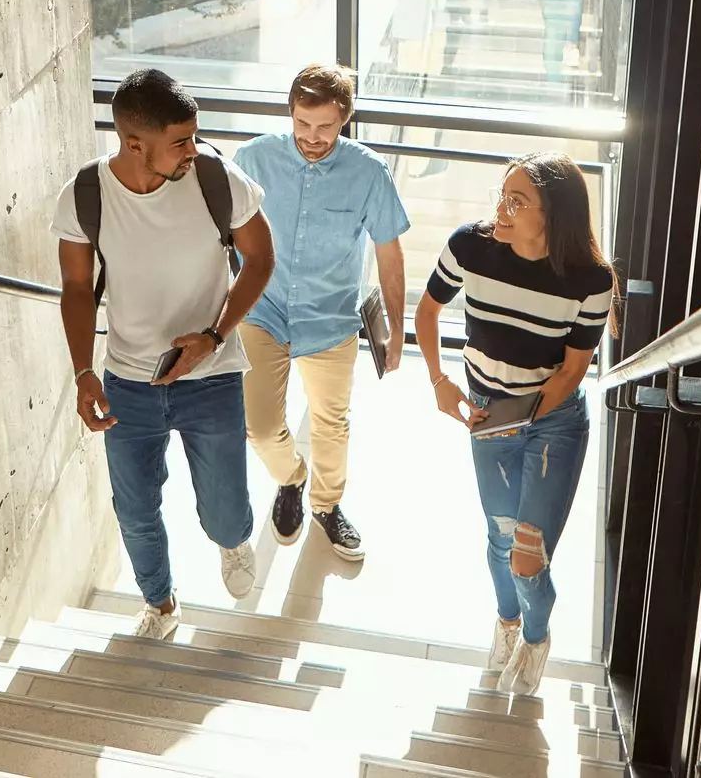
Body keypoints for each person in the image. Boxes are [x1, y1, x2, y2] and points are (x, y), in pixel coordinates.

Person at [53, 69, 277, 640]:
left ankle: (232, 542)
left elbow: (260, 260)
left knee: (224, 511)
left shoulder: (216, 180)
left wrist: (215, 335)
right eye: (180, 141)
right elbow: (77, 289)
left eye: (194, 136)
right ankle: (161, 602)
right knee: (135, 510)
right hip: (129, 381)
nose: (192, 150)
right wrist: (83, 371)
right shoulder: (85, 196)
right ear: (133, 144)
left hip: (213, 376)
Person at [415, 154, 616, 696]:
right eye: (500, 196)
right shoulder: (470, 246)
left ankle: (535, 633)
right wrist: (440, 382)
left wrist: (521, 417)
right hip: (487, 414)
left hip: (553, 421)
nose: (500, 211)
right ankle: (505, 623)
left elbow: (574, 370)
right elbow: (427, 312)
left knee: (529, 554)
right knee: (500, 538)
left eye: (517, 202)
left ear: (554, 215)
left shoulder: (591, 279)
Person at [231, 64, 411, 562]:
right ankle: (292, 476)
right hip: (262, 310)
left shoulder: (369, 172)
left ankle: (327, 507)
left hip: (330, 318)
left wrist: (397, 331)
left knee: (332, 423)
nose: (312, 138)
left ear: (344, 119)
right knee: (260, 426)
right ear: (291, 114)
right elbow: (216, 227)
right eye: (302, 125)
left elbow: (390, 254)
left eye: (325, 127)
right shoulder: (253, 158)